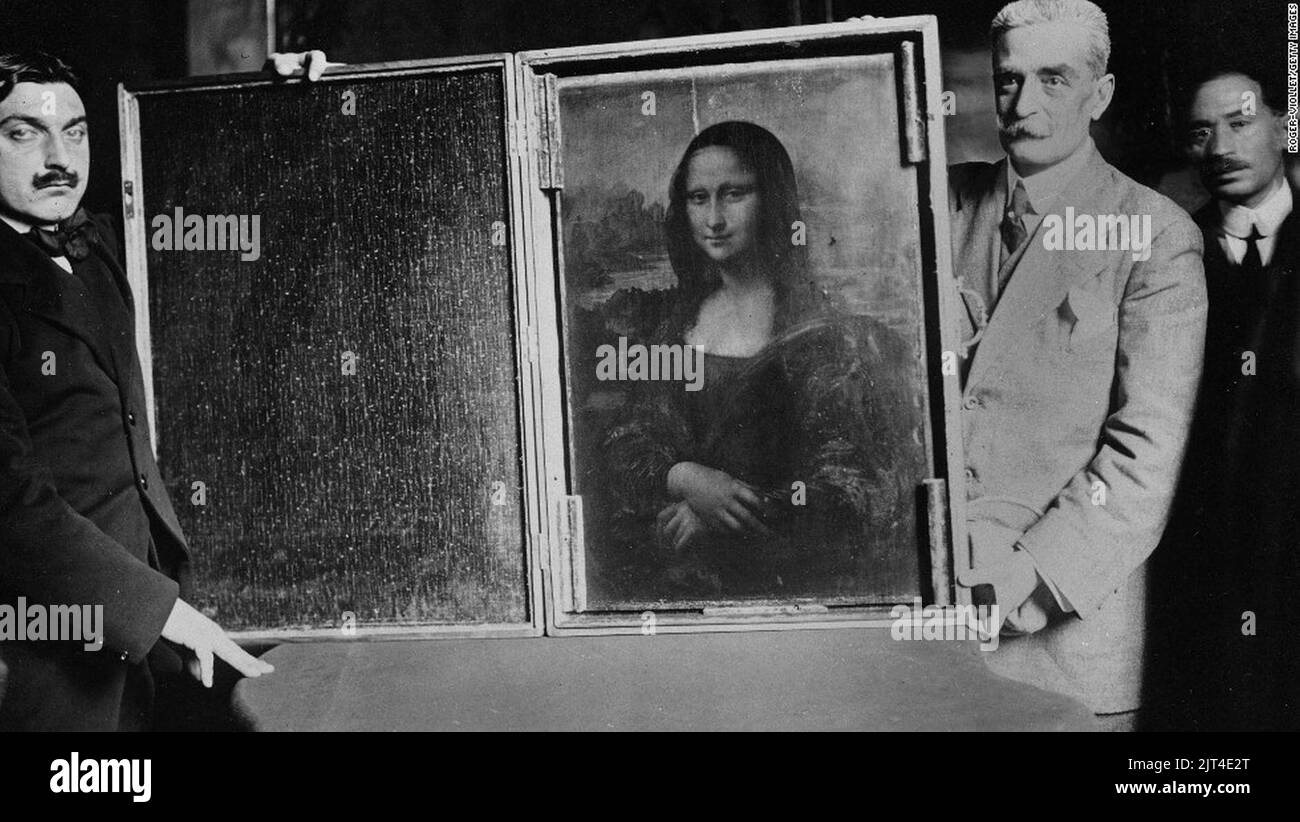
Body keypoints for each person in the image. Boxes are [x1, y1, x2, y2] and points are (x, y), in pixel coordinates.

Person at [0, 49, 326, 731]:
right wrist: (160, 613)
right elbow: (12, 508)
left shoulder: (97, 243)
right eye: (24, 133)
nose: (59, 158)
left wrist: (284, 102)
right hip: (48, 653)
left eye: (76, 132)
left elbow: (228, 210)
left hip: (155, 642)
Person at [945, 0, 1207, 729]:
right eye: (1009, 80)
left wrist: (1025, 572)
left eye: (1053, 79)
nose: (1023, 104)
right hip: (932, 646)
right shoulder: (937, 203)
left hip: (1063, 646)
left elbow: (1143, 457)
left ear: (1101, 93)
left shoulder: (1156, 235)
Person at [602, 120, 912, 597]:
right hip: (674, 589)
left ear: (772, 200)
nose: (714, 219)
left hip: (786, 588)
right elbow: (628, 440)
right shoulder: (674, 324)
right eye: (698, 198)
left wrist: (721, 515)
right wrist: (684, 478)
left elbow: (850, 494)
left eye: (734, 194)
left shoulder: (822, 336)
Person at [1163, 62, 1300, 730]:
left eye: (1239, 123)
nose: (1219, 148)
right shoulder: (1169, 252)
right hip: (1205, 558)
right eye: (1199, 133)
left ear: (1284, 125)